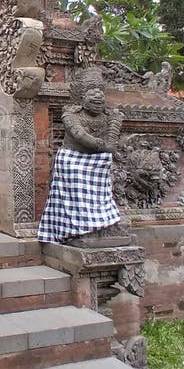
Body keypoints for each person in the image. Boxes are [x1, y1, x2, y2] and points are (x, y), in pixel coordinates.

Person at [38, 67, 123, 244]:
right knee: (76, 183)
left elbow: (112, 141)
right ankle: (81, 227)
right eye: (92, 92)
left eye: (100, 91)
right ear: (81, 97)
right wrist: (102, 145)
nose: (98, 96)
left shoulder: (109, 116)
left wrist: (115, 124)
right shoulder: (70, 114)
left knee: (106, 185)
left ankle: (103, 223)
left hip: (97, 161)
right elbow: (80, 135)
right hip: (72, 161)